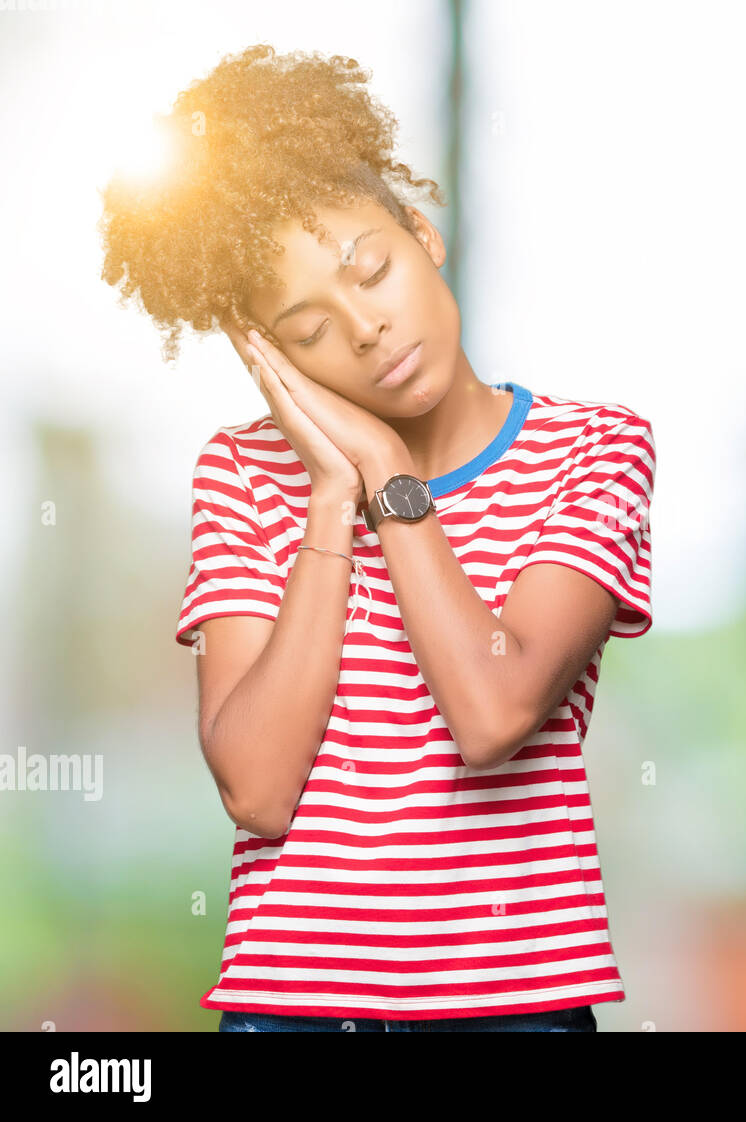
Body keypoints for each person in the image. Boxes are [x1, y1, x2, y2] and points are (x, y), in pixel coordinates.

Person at [99, 44, 654, 1032]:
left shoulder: (595, 450)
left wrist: (391, 479)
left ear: (421, 231)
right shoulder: (241, 476)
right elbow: (260, 790)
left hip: (514, 1008)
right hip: (290, 1011)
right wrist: (327, 489)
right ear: (269, 358)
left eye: (372, 269)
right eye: (307, 330)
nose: (364, 328)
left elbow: (491, 710)